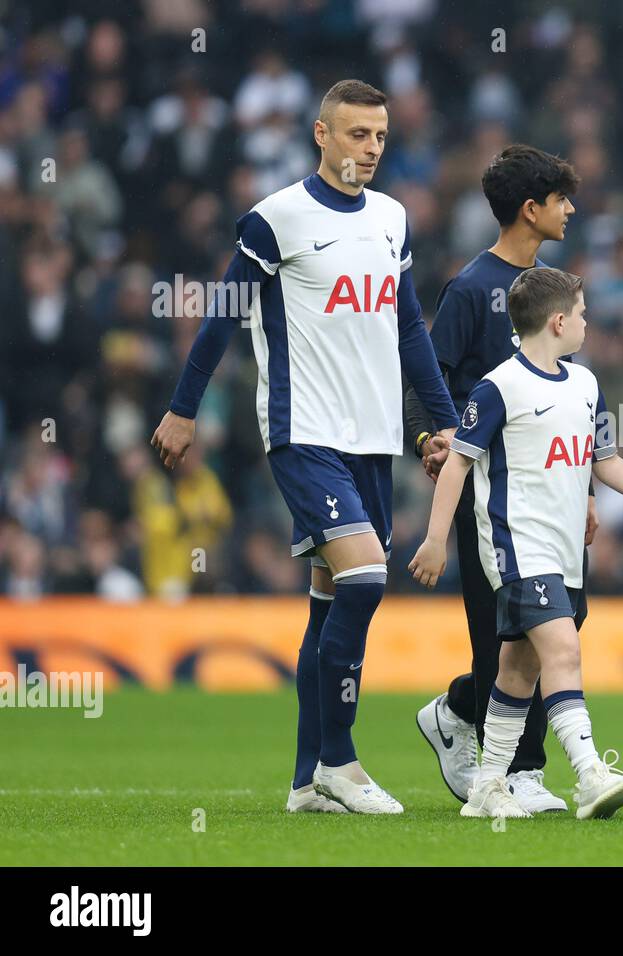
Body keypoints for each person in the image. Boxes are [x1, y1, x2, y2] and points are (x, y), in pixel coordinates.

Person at [151, 79, 458, 815]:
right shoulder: (276, 219)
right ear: (321, 136)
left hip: (375, 439)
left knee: (327, 606)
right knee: (365, 578)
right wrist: (183, 408)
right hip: (304, 432)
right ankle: (340, 762)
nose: (372, 149)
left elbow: (410, 329)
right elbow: (224, 316)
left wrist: (441, 422)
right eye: (357, 135)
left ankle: (302, 784)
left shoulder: (392, 220)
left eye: (381, 137)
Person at [409, 268, 623, 818]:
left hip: (564, 552)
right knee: (563, 649)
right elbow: (459, 465)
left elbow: (603, 464)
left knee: (519, 670)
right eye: (581, 313)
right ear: (558, 321)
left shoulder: (583, 385)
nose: (587, 322)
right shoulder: (498, 387)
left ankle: (487, 787)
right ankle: (590, 774)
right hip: (518, 548)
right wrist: (437, 539)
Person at [405, 145, 582, 813]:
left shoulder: (549, 291)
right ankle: (521, 772)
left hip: (552, 493)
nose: (572, 209)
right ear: (530, 209)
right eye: (561, 198)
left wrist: (583, 492)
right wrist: (432, 438)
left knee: (549, 631)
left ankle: (456, 709)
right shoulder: (472, 289)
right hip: (489, 498)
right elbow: (427, 385)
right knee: (506, 635)